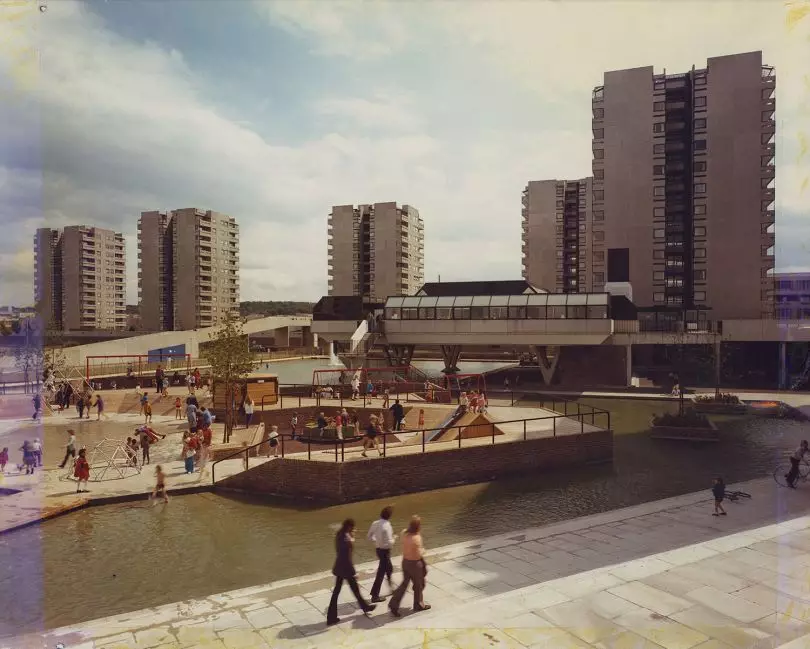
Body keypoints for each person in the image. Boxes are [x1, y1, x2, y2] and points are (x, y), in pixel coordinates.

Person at [326, 519, 376, 626]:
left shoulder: (340, 535)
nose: (354, 530)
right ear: (349, 527)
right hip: (346, 568)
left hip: (339, 567)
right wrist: (353, 572)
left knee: (339, 592)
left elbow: (341, 551)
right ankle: (365, 607)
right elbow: (347, 557)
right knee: (353, 590)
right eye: (353, 528)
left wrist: (351, 539)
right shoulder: (346, 539)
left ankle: (331, 617)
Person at [388, 515, 430, 617]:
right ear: (418, 527)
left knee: (404, 585)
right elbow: (419, 553)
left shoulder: (404, 533)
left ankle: (393, 603)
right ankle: (418, 604)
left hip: (405, 562)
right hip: (415, 564)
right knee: (419, 584)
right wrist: (424, 550)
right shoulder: (417, 538)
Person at [368, 506, 396, 603]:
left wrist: (377, 541)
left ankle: (391, 587)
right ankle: (375, 595)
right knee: (381, 573)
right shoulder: (387, 526)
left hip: (378, 550)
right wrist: (394, 539)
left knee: (389, 568)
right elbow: (389, 542)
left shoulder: (375, 523)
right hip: (385, 551)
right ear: (389, 516)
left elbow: (369, 536)